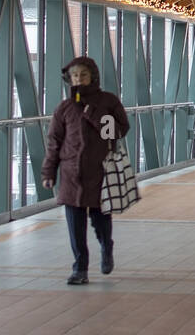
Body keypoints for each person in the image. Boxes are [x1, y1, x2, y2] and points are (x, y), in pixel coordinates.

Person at [42, 57, 130, 285]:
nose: (78, 79)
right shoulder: (64, 107)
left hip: (100, 172)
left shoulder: (108, 101)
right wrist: (49, 172)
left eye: (83, 74)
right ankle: (80, 268)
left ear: (93, 76)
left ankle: (106, 246)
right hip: (71, 174)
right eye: (74, 76)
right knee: (75, 226)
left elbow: (118, 131)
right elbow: (54, 141)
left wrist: (94, 115)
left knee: (101, 220)